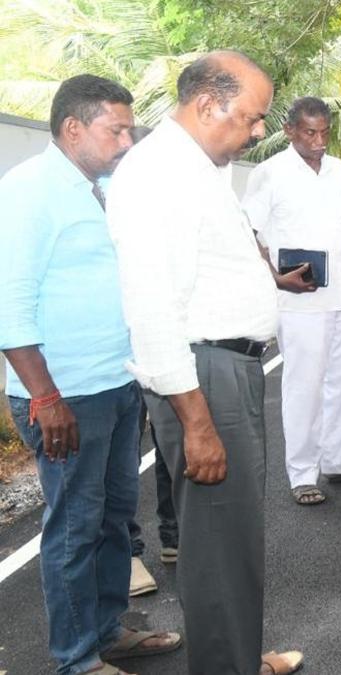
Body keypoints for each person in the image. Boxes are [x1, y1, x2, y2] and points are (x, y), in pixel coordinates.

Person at [107, 52, 303, 675]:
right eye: (251, 118)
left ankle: (236, 656)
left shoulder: (195, 168)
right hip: (202, 378)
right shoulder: (158, 173)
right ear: (207, 105)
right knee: (219, 549)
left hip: (222, 371)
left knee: (229, 543)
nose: (254, 133)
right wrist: (195, 422)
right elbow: (153, 307)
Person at [0, 73, 183, 675]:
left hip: (116, 382)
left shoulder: (98, 187)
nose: (128, 141)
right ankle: (76, 658)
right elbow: (9, 303)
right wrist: (45, 395)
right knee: (75, 528)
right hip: (66, 395)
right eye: (117, 129)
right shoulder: (29, 190)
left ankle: (109, 631)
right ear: (73, 128)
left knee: (111, 519)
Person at [242, 96, 341, 506]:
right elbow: (248, 230)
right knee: (304, 385)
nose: (319, 140)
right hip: (300, 300)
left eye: (325, 131)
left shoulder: (339, 169)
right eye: (310, 132)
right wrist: (274, 277)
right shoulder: (269, 174)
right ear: (289, 130)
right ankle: (302, 473)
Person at [124, 125, 179, 599]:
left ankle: (173, 538)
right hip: (112, 361)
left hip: (160, 346)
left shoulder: (162, 204)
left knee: (169, 448)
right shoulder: (103, 198)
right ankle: (128, 554)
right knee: (120, 468)